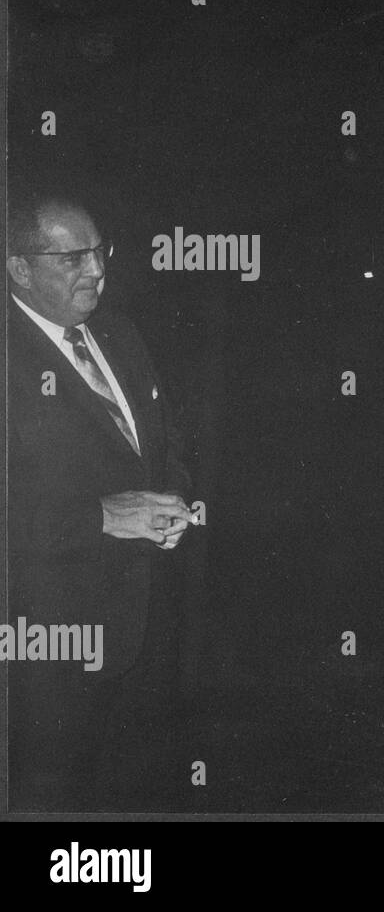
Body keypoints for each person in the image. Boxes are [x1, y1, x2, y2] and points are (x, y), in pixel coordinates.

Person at [6, 188, 194, 809]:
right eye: (74, 258)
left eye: (101, 251)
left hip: (142, 636)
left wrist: (175, 504)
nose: (98, 270)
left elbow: (165, 450)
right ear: (19, 268)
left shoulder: (119, 332)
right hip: (44, 657)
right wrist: (100, 517)